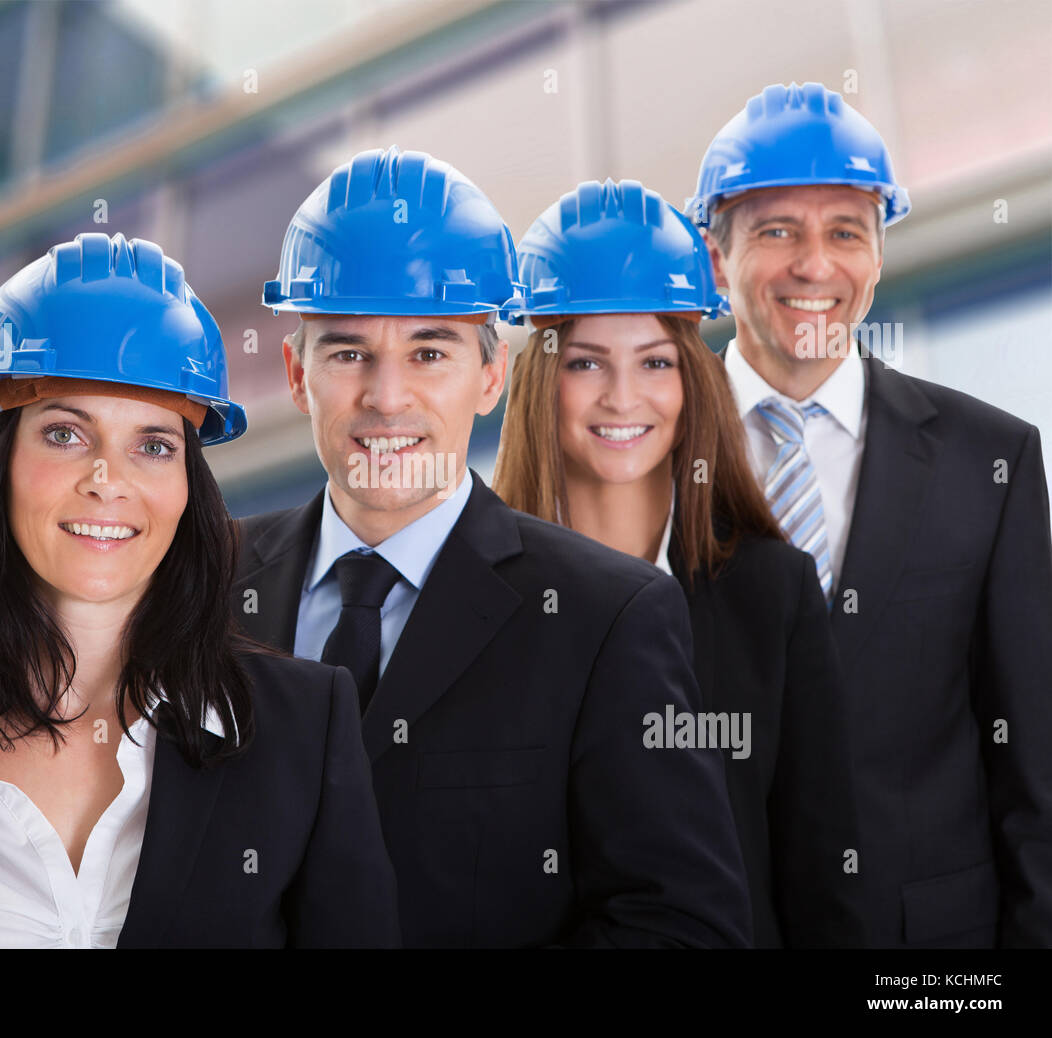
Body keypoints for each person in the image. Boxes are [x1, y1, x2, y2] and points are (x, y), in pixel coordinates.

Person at [0, 232, 400, 949]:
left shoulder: (303, 725)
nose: (107, 480)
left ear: (189, 486)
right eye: (64, 434)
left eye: (153, 445)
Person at [233, 146, 752, 948]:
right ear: (298, 375)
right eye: (348, 353)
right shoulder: (202, 583)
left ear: (491, 377)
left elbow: (681, 926)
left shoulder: (607, 616)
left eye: (430, 352)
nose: (387, 396)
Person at [690, 82, 1052, 947]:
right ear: (716, 260)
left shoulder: (990, 460)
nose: (815, 266)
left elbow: (1033, 767)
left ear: (879, 257)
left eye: (846, 233)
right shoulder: (650, 453)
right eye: (777, 231)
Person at [493, 177, 864, 946]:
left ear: (692, 380)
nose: (623, 397)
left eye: (656, 362)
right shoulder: (474, 593)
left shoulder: (773, 594)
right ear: (539, 383)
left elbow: (822, 887)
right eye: (586, 364)